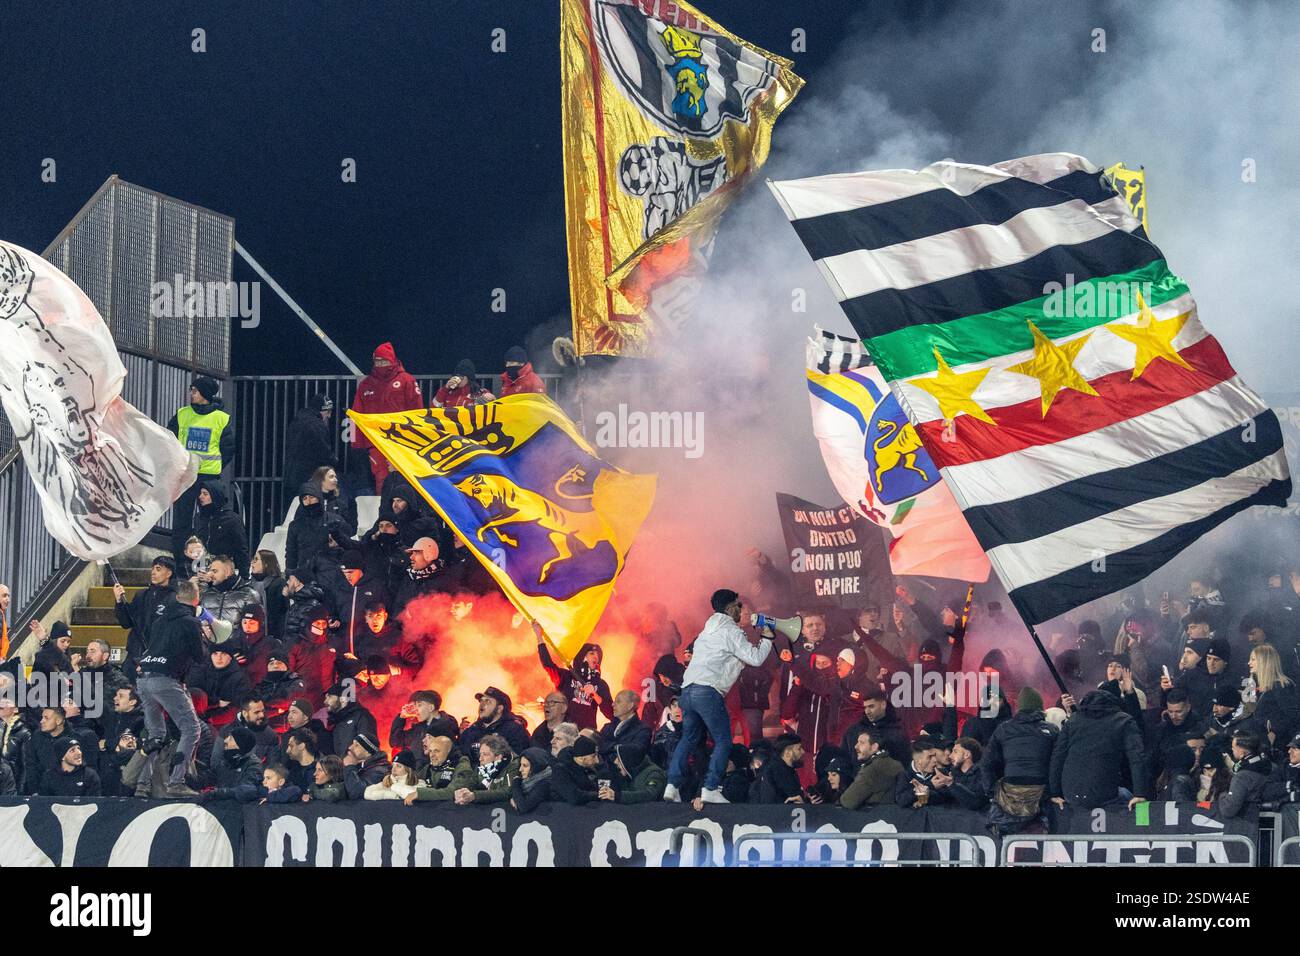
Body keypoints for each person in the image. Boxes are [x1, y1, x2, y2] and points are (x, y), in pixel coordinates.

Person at [664, 589, 773, 804]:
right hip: (708, 691)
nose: (740, 609)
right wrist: (767, 638)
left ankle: (672, 785)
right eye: (738, 605)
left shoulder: (707, 630)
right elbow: (756, 658)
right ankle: (711, 787)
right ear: (729, 607)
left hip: (688, 690)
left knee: (688, 738)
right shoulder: (730, 631)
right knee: (723, 740)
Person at [135, 580, 206, 797]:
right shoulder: (190, 622)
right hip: (165, 679)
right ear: (196, 599)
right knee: (192, 729)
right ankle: (177, 782)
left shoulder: (159, 620)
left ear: (176, 597)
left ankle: (142, 784)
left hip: (143, 678)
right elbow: (199, 657)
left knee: (156, 733)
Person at [169, 376, 235, 566]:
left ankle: (210, 562)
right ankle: (182, 565)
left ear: (205, 394)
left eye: (195, 391)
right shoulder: (183, 414)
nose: (191, 394)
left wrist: (216, 468)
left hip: (209, 478)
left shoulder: (221, 418)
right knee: (181, 522)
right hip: (186, 476)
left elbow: (228, 448)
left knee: (210, 521)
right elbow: (168, 438)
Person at [1049, 688, 1148, 812]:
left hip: (1070, 793)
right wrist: (1140, 794)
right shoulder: (1124, 721)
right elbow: (1137, 757)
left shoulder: (1073, 720)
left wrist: (1054, 793)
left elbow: (1058, 756)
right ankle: (1143, 829)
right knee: (1133, 801)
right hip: (1105, 793)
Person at [981, 687, 1058, 833]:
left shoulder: (1003, 729)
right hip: (1041, 791)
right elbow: (1058, 764)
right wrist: (1055, 792)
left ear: (1019, 708)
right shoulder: (1052, 730)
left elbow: (986, 763)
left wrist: (992, 792)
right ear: (1040, 707)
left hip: (1010, 791)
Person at [349, 342, 424, 493]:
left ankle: (405, 512)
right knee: (381, 480)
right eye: (378, 361)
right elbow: (356, 415)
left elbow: (417, 411)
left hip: (402, 441)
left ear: (393, 360)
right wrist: (356, 445)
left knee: (405, 477)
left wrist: (417, 439)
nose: (381, 365)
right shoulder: (366, 385)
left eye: (384, 361)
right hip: (376, 442)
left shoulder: (406, 380)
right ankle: (385, 514)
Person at [536, 629, 613, 731]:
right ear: (582, 657)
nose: (596, 657)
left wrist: (595, 694)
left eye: (598, 655)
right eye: (591, 653)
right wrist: (539, 636)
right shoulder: (567, 676)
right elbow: (547, 664)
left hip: (584, 736)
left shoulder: (600, 684)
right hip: (562, 732)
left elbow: (611, 714)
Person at [114, 556, 177, 677]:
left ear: (169, 573)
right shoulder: (141, 595)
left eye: (158, 569)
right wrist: (119, 602)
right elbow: (126, 623)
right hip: (134, 655)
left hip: (159, 658)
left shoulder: (175, 598)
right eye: (152, 569)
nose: (153, 572)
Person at [282, 393, 336, 511]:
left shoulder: (297, 421)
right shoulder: (317, 425)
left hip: (291, 475)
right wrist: (335, 461)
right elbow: (324, 452)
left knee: (293, 509)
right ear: (321, 410)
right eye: (328, 411)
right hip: (309, 476)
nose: (329, 416)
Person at [838, 688, 910, 765]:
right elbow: (842, 761)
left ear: (883, 705)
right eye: (865, 707)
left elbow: (905, 764)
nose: (867, 711)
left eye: (871, 706)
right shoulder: (852, 731)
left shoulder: (898, 732)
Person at [192, 482, 250, 576]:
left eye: (205, 494)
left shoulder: (231, 519)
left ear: (215, 496)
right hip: (201, 568)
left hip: (223, 569)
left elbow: (241, 548)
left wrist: (244, 575)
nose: (200, 497)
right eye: (200, 493)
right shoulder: (199, 518)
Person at [839, 728, 904, 809]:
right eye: (857, 742)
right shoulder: (896, 764)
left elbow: (848, 801)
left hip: (873, 818)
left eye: (861, 743)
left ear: (874, 747)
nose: (856, 746)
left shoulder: (872, 768)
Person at [460, 685, 531, 760]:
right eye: (481, 700)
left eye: (488, 701)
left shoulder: (515, 731)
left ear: (499, 709)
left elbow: (518, 761)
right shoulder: (470, 731)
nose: (482, 704)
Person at [1215, 731, 1273, 819]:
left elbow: (1228, 810)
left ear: (1242, 752)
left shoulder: (1242, 777)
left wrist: (1222, 796)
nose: (1232, 750)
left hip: (1245, 824)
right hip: (1265, 819)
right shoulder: (1268, 765)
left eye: (1233, 747)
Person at [199, 555, 261, 630]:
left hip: (237, 641)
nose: (210, 574)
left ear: (227, 572)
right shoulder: (205, 594)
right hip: (208, 641)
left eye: (215, 571)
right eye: (210, 571)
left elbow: (256, 629)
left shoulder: (249, 595)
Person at [453, 733, 518, 805]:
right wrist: (462, 792)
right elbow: (471, 783)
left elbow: (506, 792)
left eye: (485, 754)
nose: (480, 758)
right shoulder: (482, 766)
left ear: (498, 756)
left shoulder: (513, 766)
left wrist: (475, 796)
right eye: (480, 754)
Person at [390, 689, 459, 756]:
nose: (415, 710)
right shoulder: (420, 729)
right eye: (413, 707)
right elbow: (395, 741)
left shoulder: (445, 727)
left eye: (419, 705)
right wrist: (401, 717)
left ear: (431, 707)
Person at [286, 483, 332, 573]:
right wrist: (290, 574)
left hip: (329, 573)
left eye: (311, 497)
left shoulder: (333, 521)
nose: (308, 501)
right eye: (304, 498)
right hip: (304, 574)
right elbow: (291, 553)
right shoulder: (295, 526)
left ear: (318, 498)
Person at [324, 684, 379, 758]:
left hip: (357, 768)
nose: (325, 701)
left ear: (343, 699)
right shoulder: (335, 720)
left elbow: (367, 747)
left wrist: (352, 765)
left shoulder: (362, 716)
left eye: (329, 697)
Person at [550, 734, 604, 805]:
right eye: (593, 756)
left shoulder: (591, 768)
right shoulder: (560, 770)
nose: (597, 760)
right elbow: (574, 796)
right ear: (582, 758)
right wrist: (599, 795)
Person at [754, 733, 807, 804]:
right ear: (788, 753)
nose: (803, 752)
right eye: (799, 748)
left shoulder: (784, 770)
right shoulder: (779, 772)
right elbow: (793, 798)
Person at [597, 689, 651, 758]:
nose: (613, 704)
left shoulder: (643, 730)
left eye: (618, 701)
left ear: (630, 706)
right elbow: (598, 746)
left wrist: (609, 747)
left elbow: (634, 752)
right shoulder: (607, 727)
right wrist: (619, 747)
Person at [342, 731, 392, 799]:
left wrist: (349, 766)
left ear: (368, 753)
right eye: (352, 744)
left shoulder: (380, 771)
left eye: (357, 745)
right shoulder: (360, 766)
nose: (350, 747)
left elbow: (357, 793)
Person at [310, 465, 357, 537]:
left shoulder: (343, 503)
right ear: (321, 480)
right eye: (331, 477)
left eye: (336, 477)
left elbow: (352, 529)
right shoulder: (308, 502)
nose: (336, 480)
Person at [509, 747, 555, 812]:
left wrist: (516, 784)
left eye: (525, 766)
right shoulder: (527, 781)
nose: (520, 769)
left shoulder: (545, 783)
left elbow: (524, 807)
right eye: (520, 765)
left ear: (536, 766)